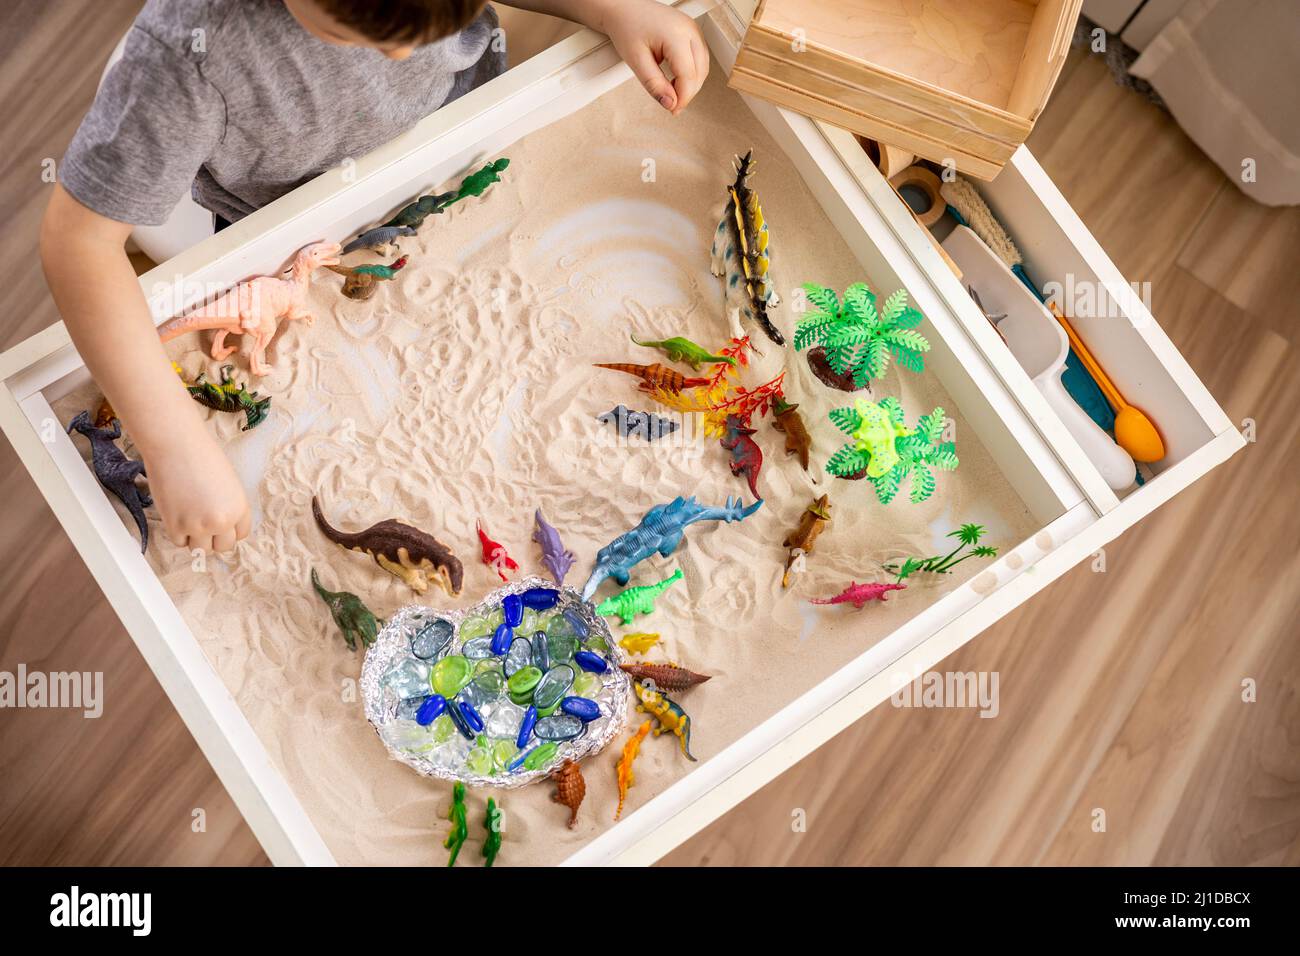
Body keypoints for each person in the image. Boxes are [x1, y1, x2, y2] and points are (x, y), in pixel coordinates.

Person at [40, 0, 708, 553]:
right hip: (280, 214)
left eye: (432, 28)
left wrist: (613, 9)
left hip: (449, 134)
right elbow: (81, 246)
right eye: (354, 33)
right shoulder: (188, 53)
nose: (395, 57)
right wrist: (171, 440)